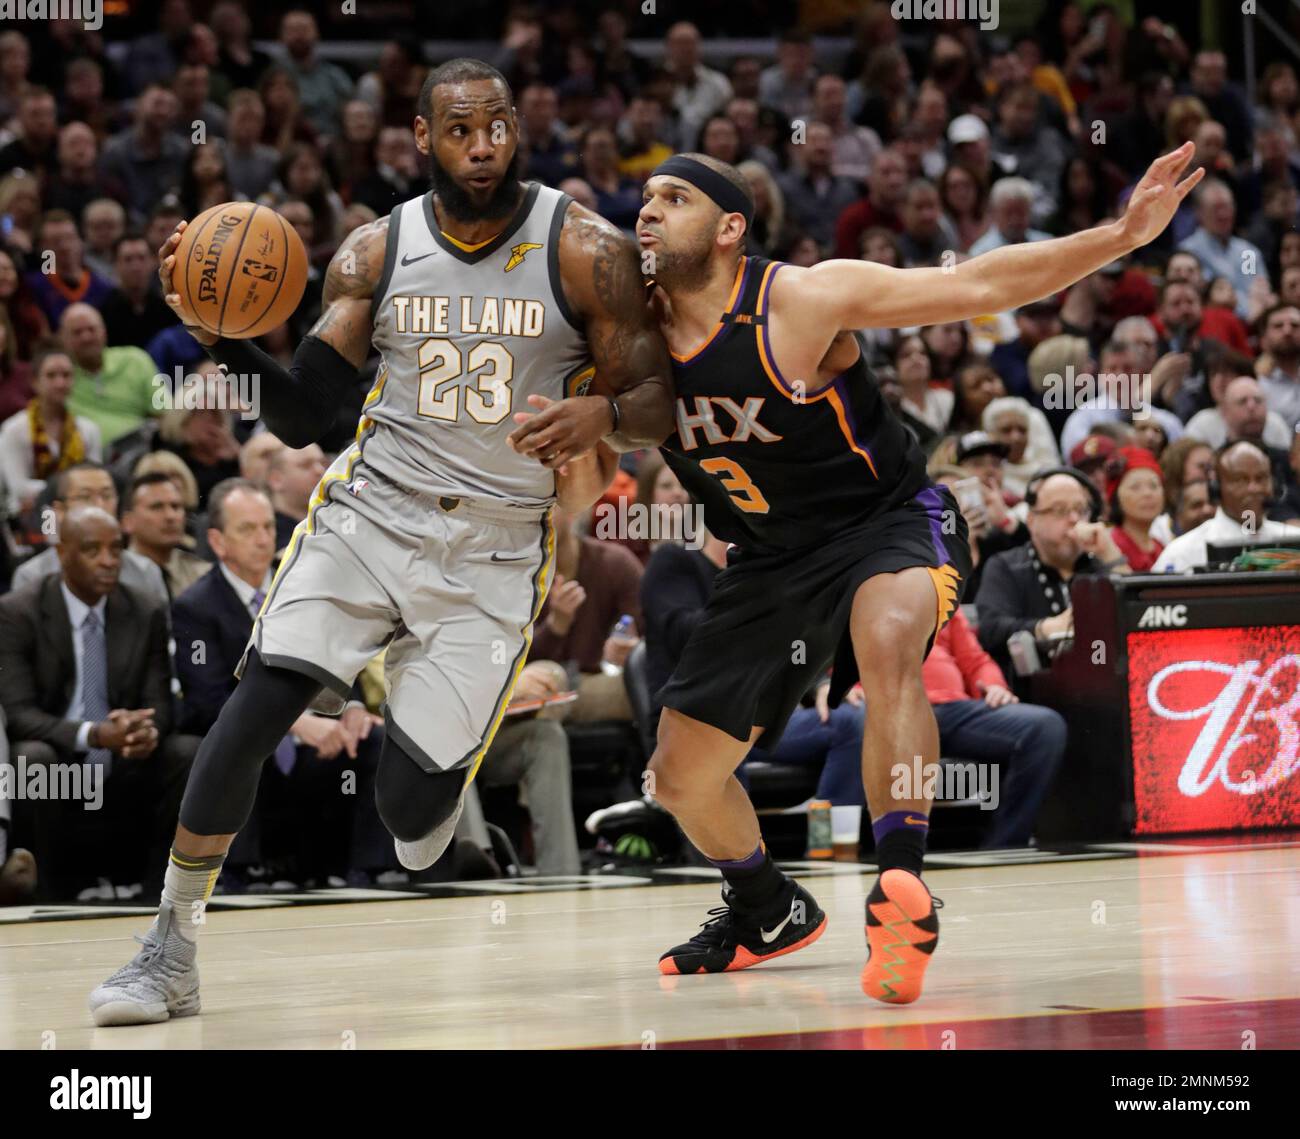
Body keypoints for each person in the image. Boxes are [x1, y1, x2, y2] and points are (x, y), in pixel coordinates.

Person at [89, 58, 673, 1027]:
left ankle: (427, 767)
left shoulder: (586, 249)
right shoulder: (376, 249)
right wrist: (221, 337)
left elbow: (656, 397)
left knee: (409, 819)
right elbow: (317, 412)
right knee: (257, 700)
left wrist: (602, 410)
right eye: (459, 128)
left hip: (492, 552)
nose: (480, 144)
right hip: (371, 512)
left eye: (495, 125)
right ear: (421, 136)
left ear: (516, 129)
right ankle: (170, 946)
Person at [634, 142, 1200, 1001]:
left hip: (888, 521)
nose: (647, 209)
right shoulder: (625, 333)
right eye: (643, 196)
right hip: (771, 559)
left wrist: (1120, 235)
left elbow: (976, 286)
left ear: (729, 229)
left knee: (891, 635)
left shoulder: (802, 297)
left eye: (673, 197)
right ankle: (766, 907)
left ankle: (901, 885)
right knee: (678, 776)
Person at [0, 505, 197, 901]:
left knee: (186, 751)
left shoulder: (145, 610)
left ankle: (162, 892)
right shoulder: (19, 611)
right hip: (63, 759)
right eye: (93, 550)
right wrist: (93, 734)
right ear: (62, 554)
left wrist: (143, 730)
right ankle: (49, 894)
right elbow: (18, 715)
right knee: (32, 758)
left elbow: (161, 702)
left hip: (125, 760)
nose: (108, 561)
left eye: (116, 549)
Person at [975, 470, 1133, 680]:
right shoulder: (1006, 566)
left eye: (1080, 510)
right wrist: (1045, 628)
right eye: (1060, 510)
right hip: (1033, 690)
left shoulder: (1099, 565)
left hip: (1104, 682)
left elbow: (1136, 615)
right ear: (1031, 520)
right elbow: (991, 630)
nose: (1074, 519)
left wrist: (1111, 554)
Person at [10, 462, 169, 608]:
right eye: (85, 497)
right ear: (59, 511)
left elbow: (162, 636)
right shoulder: (32, 576)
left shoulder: (144, 571)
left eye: (107, 496)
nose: (99, 505)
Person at [1153, 441, 1300, 572]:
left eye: (1261, 478)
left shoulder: (1295, 540)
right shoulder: (1182, 552)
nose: (1254, 489)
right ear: (1216, 488)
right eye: (1240, 480)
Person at [0, 347, 102, 518]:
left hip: (78, 515)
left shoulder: (89, 429)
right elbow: (18, 487)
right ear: (34, 381)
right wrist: (74, 489)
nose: (60, 383)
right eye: (51, 375)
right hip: (26, 517)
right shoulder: (13, 429)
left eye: (66, 375)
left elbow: (95, 480)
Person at [1103, 446, 1165, 571]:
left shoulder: (1161, 547)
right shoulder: (1111, 546)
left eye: (1153, 486)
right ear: (1116, 497)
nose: (1147, 493)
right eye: (1135, 487)